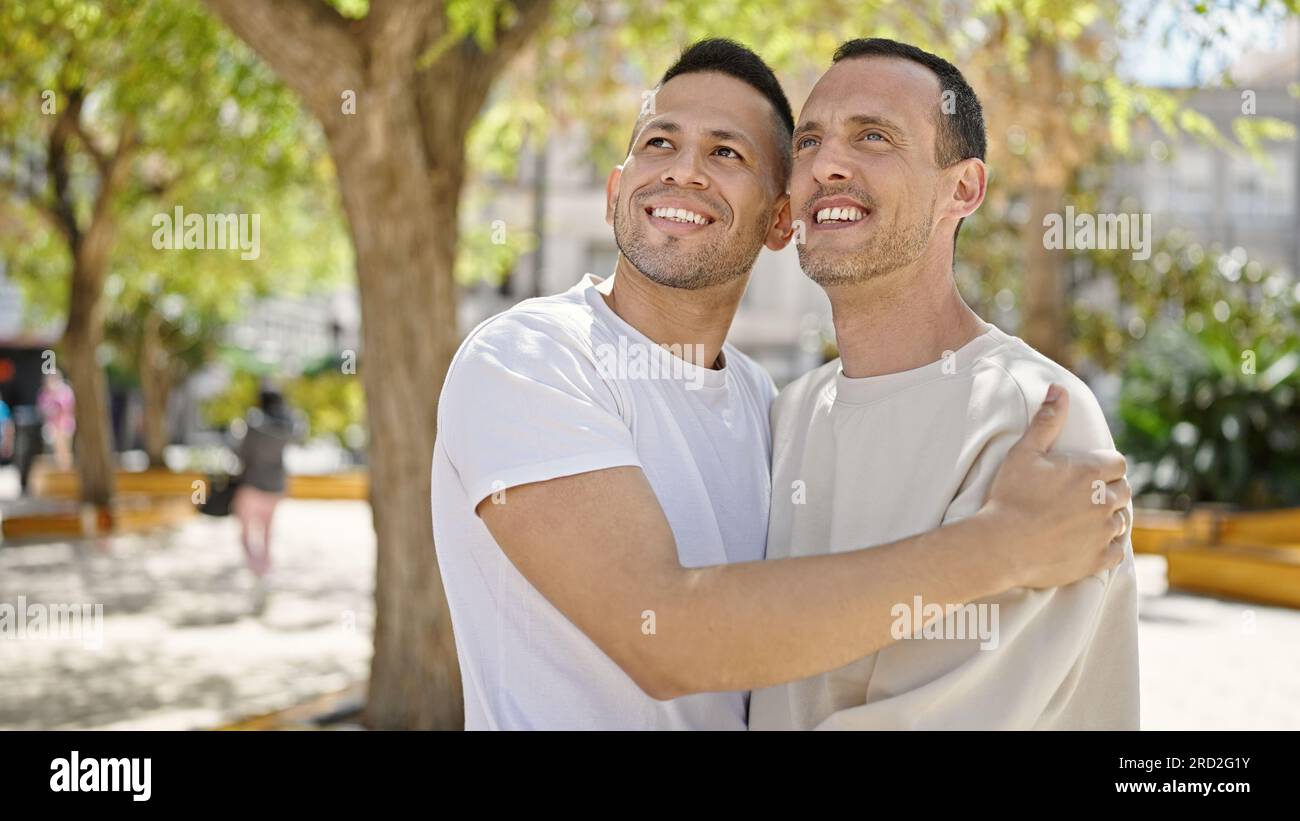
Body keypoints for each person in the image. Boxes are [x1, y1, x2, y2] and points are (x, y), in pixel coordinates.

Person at [431, 39, 1130, 730]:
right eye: (659, 143)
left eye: (728, 153)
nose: (685, 174)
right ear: (616, 189)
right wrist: (998, 547)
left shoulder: (1031, 420)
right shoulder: (529, 358)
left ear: (778, 218)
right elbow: (664, 634)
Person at [747, 39, 1139, 730]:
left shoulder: (1033, 417)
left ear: (962, 189)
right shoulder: (789, 414)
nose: (826, 164)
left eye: (873, 136)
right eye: (808, 140)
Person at [232, 388, 298, 593]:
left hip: (252, 484)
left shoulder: (253, 426)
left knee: (245, 534)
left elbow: (240, 453)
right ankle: (265, 571)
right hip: (275, 487)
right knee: (267, 532)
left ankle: (256, 569)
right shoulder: (286, 428)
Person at [36, 370, 75, 471]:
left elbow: (69, 408)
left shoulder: (66, 391)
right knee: (57, 444)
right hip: (51, 426)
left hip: (65, 424)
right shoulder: (44, 393)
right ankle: (62, 467)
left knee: (64, 446)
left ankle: (65, 468)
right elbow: (42, 410)